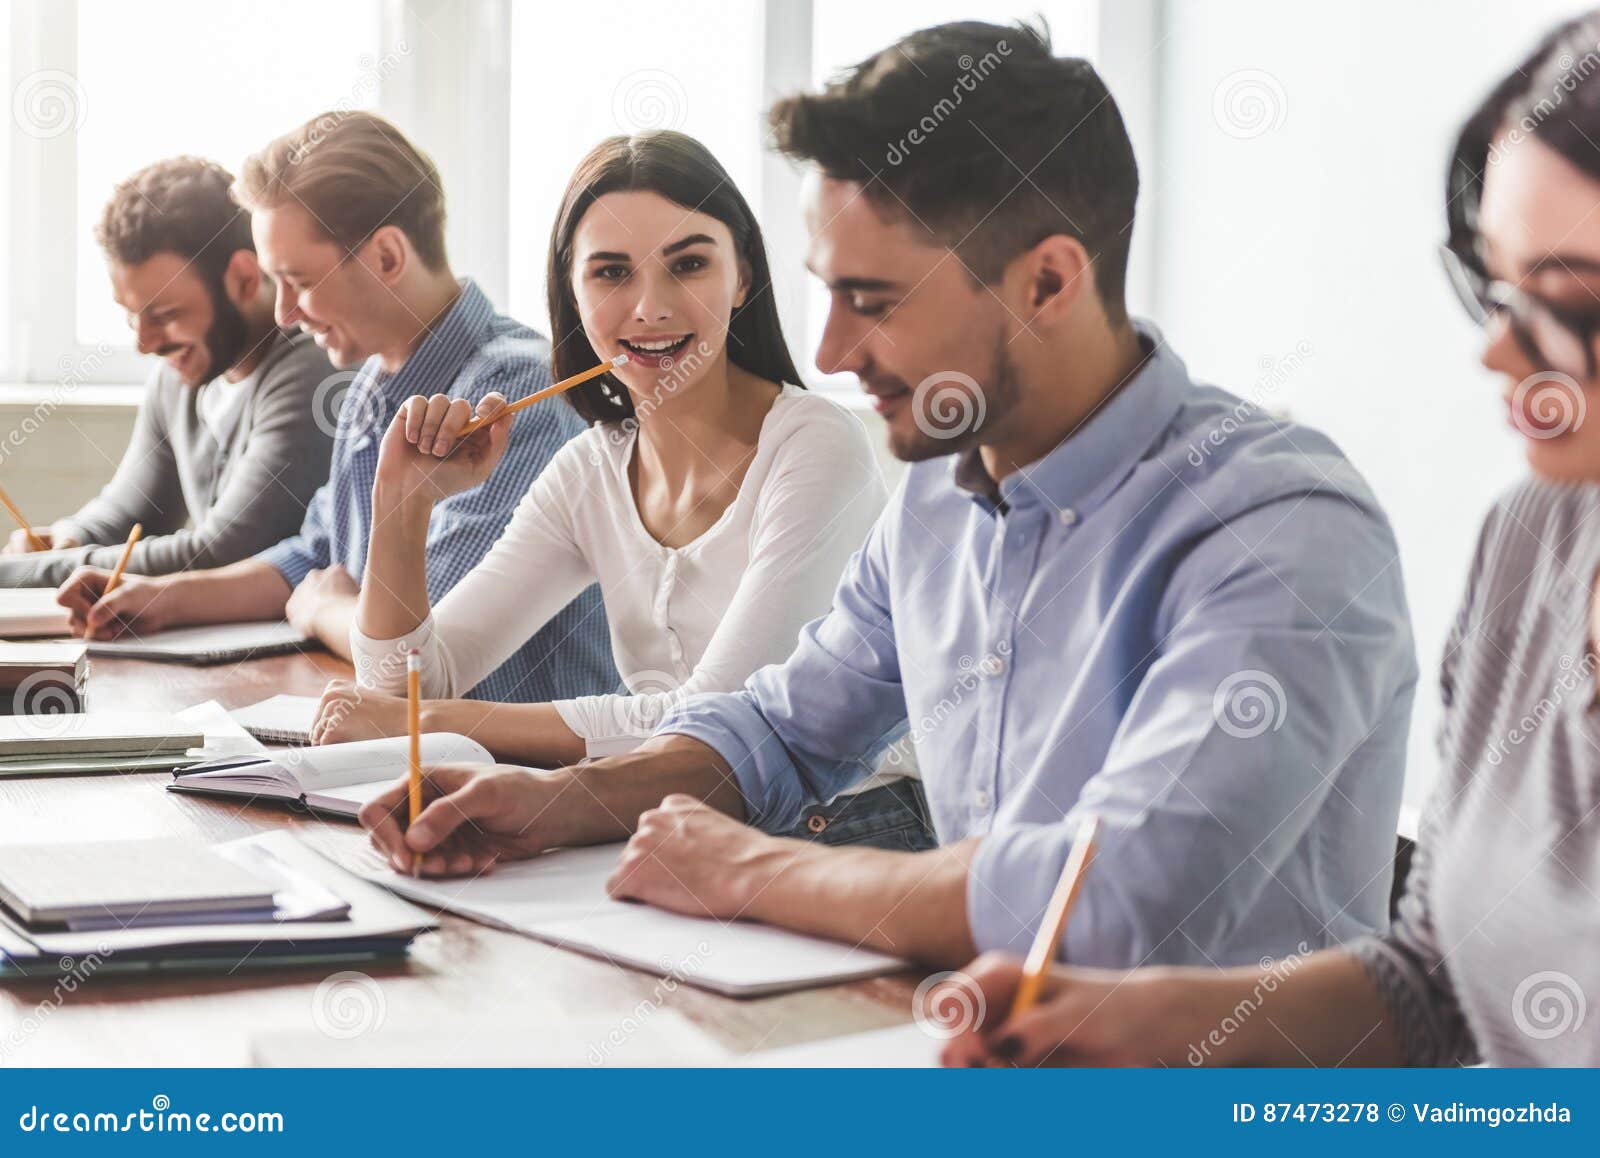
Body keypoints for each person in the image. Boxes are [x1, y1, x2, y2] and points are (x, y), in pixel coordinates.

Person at [362, 20, 1415, 971]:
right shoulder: (938, 504)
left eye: (874, 303)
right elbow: (776, 733)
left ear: (1047, 282)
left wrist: (756, 872)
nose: (828, 350)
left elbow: (1125, 897)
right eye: (828, 294)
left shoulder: (1278, 527)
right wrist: (550, 803)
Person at [940, 12, 1600, 1068]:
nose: (1494, 351)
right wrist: (1119, 1018)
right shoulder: (1533, 537)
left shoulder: (1284, 512)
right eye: (1494, 284)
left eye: (1566, 303)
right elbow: (1436, 980)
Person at [316, 130, 929, 847]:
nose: (649, 307)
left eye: (689, 264)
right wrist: (403, 505)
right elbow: (405, 685)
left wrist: (427, 723)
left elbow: (713, 722)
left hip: (855, 816)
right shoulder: (590, 470)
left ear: (743, 277)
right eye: (610, 273)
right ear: (571, 293)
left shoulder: (815, 444)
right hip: (661, 810)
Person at [57, 112, 617, 705]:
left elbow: (419, 655)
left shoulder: (514, 394)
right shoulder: (369, 385)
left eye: (298, 281)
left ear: (387, 256)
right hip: (403, 745)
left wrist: (324, 607)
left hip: (519, 770)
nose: (284, 314)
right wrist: (165, 597)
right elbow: (314, 554)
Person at [0, 157, 333, 586]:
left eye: (164, 314)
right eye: (131, 316)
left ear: (245, 278)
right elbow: (131, 511)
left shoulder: (312, 372)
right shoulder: (181, 374)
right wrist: (69, 537)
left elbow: (221, 553)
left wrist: (20, 575)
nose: (144, 343)